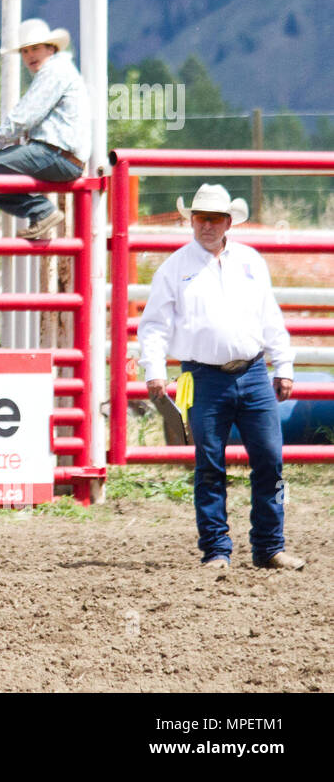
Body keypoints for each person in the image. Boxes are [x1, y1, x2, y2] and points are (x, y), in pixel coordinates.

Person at [137, 183, 304, 571]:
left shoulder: (250, 261)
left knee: (270, 460)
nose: (207, 226)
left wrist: (284, 364)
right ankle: (216, 549)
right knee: (209, 463)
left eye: (214, 219)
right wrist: (156, 370)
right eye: (201, 219)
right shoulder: (174, 268)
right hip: (202, 376)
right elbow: (154, 326)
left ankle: (269, 546)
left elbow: (269, 316)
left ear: (228, 222)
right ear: (191, 221)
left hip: (254, 372)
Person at [0, 18, 89, 241]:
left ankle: (40, 211)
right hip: (60, 155)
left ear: (50, 48)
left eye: (35, 49)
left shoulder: (53, 72)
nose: (30, 56)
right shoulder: (61, 70)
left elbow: (23, 118)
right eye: (25, 51)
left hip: (55, 154)